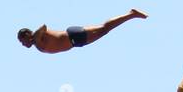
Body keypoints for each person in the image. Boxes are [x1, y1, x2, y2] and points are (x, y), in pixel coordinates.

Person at [18, 8, 147, 54]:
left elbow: (43, 26)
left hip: (74, 37)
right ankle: (131, 14)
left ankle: (131, 14)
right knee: (104, 28)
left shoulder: (37, 37)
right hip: (74, 40)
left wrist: (33, 37)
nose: (23, 45)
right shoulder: (37, 43)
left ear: (28, 35)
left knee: (104, 29)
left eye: (22, 41)